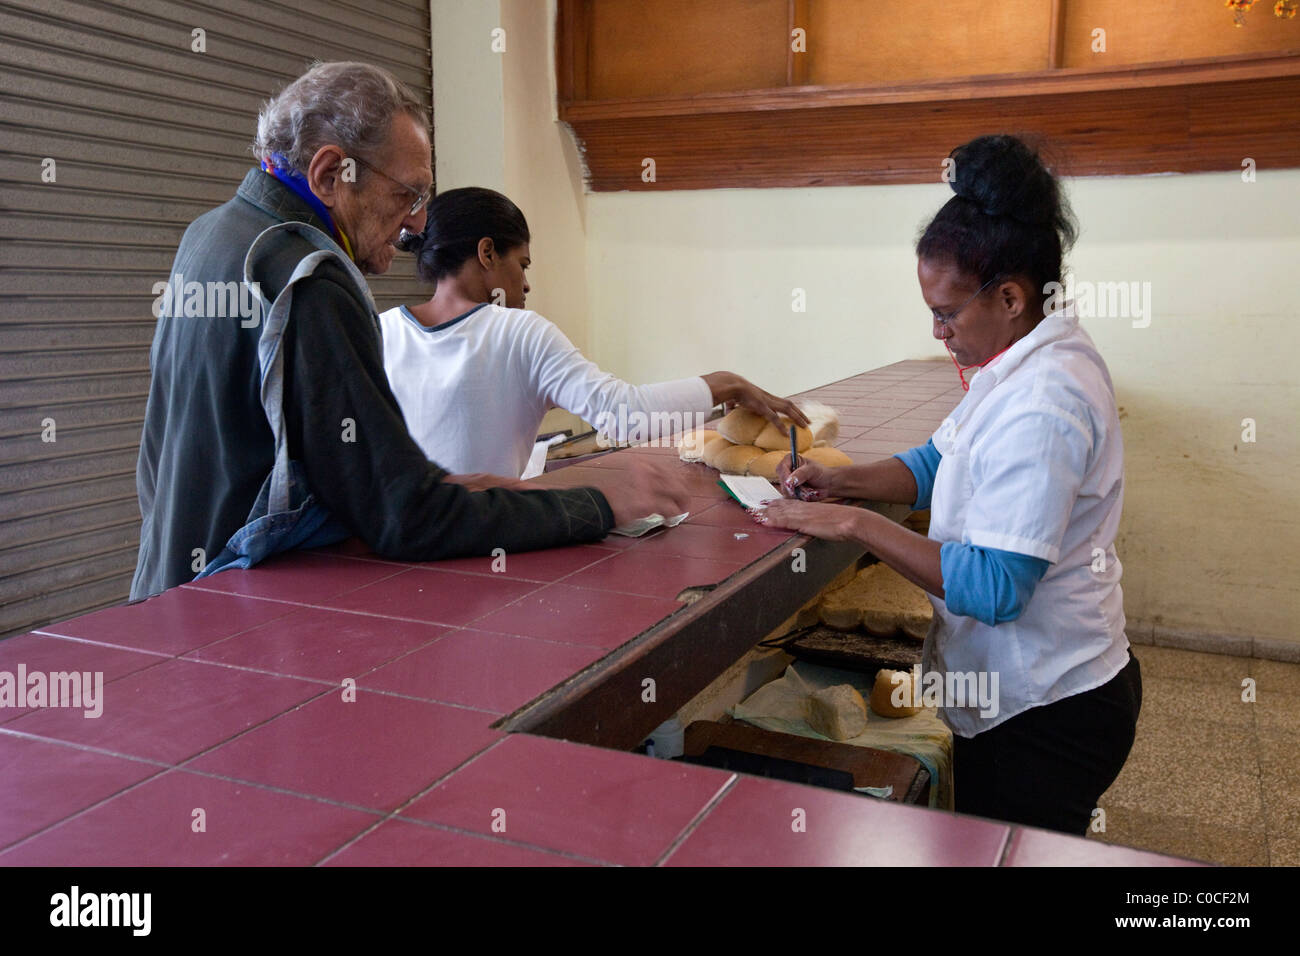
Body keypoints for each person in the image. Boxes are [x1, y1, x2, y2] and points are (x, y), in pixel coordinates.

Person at [131, 62, 689, 601]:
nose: (418, 223)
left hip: (172, 593)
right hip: (242, 613)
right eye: (409, 193)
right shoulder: (310, 278)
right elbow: (404, 517)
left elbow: (174, 459)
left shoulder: (213, 235)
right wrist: (594, 505)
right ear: (331, 175)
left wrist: (483, 487)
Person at [755, 134, 1141, 836]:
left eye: (946, 313)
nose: (936, 331)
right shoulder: (1014, 363)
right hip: (1022, 690)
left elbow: (997, 586)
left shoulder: (1045, 400)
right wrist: (840, 480)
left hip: (1049, 708)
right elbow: (939, 459)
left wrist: (860, 526)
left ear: (1012, 296)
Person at [380, 187, 808, 478]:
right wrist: (726, 382)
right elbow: (623, 416)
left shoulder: (379, 331)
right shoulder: (519, 332)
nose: (526, 285)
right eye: (523, 265)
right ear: (487, 252)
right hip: (477, 545)